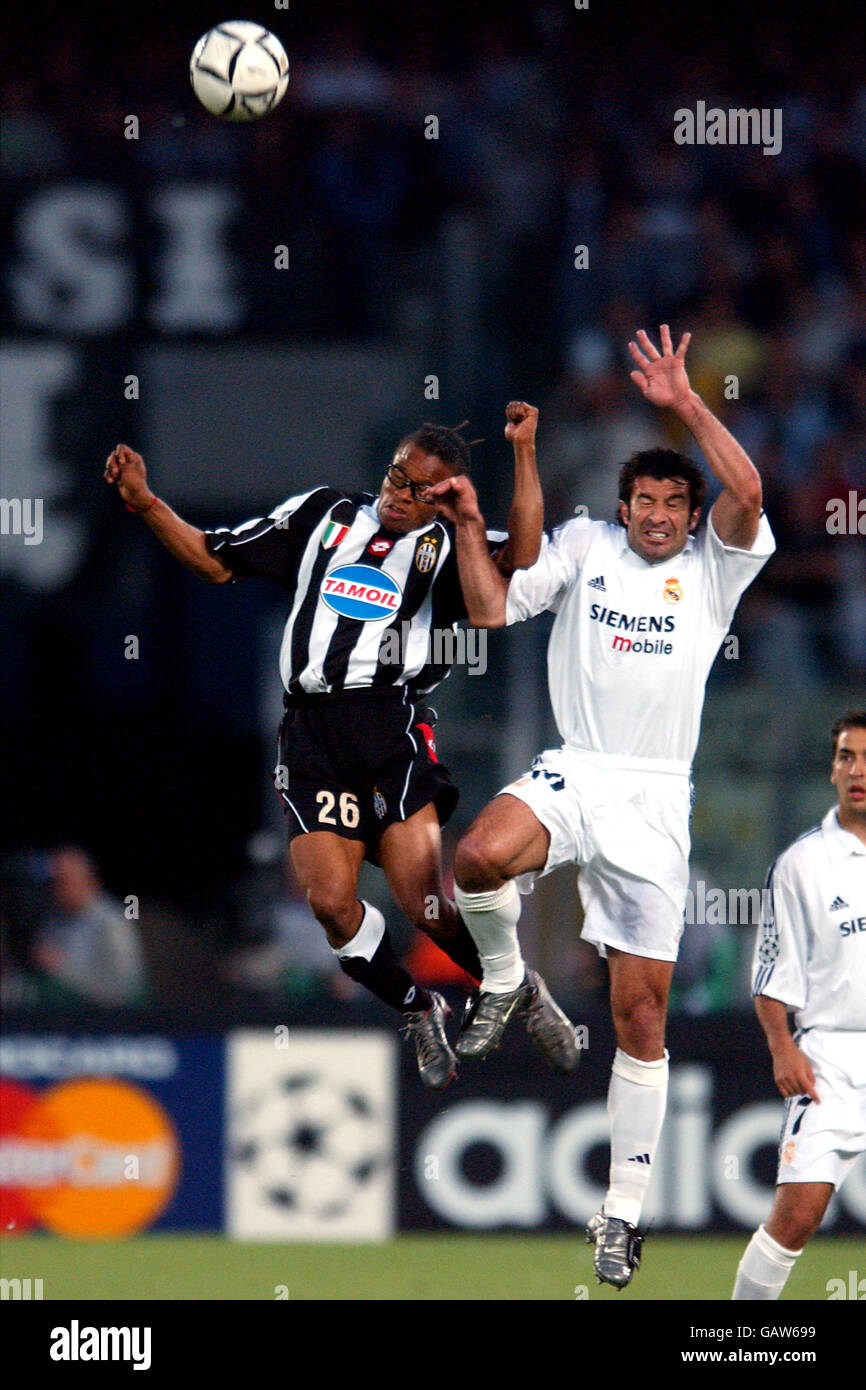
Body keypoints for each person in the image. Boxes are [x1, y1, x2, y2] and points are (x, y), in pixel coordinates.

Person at [429, 324, 776, 1286]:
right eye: (644, 500)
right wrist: (502, 483)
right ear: (621, 506)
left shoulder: (715, 569)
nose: (658, 515)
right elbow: (500, 599)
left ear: (689, 515)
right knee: (475, 861)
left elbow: (748, 494)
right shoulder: (585, 545)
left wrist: (686, 405)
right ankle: (506, 978)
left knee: (642, 1019)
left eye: (674, 503)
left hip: (659, 801)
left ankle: (622, 1213)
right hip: (577, 769)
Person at [104, 406, 577, 1089]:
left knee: (424, 903)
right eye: (396, 474)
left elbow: (524, 558)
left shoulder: (447, 549)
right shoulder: (321, 515)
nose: (399, 492)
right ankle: (417, 1008)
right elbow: (214, 560)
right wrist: (146, 503)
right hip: (310, 733)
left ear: (441, 499)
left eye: (419, 488)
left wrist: (525, 452)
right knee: (329, 903)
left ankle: (519, 989)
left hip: (389, 727)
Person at [732, 712, 866, 1301]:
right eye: (846, 756)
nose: (857, 770)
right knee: (796, 1218)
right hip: (831, 1059)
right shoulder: (801, 864)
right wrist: (781, 1046)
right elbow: (770, 970)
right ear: (833, 769)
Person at [33, 847, 148, 1008]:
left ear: (86, 879)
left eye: (62, 881)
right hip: (59, 1019)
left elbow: (122, 992)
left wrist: (62, 969)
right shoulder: (55, 921)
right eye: (52, 883)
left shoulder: (112, 922)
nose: (55, 890)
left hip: (107, 1025)